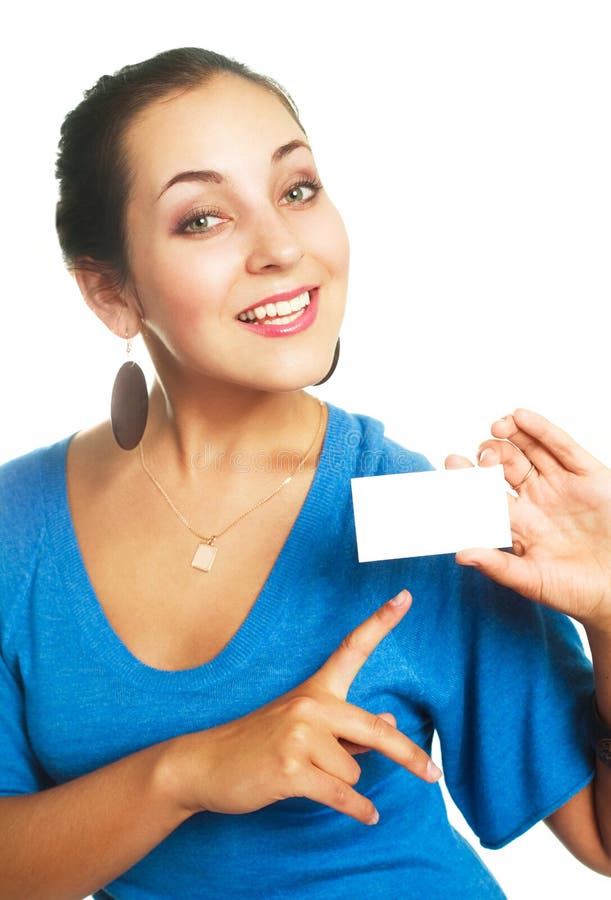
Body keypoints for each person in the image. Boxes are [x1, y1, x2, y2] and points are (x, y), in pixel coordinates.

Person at [0, 46, 609, 900]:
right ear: (110, 292)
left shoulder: (422, 513)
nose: (282, 246)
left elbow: (601, 840)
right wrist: (185, 773)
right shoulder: (16, 529)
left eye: (296, 190)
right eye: (203, 219)